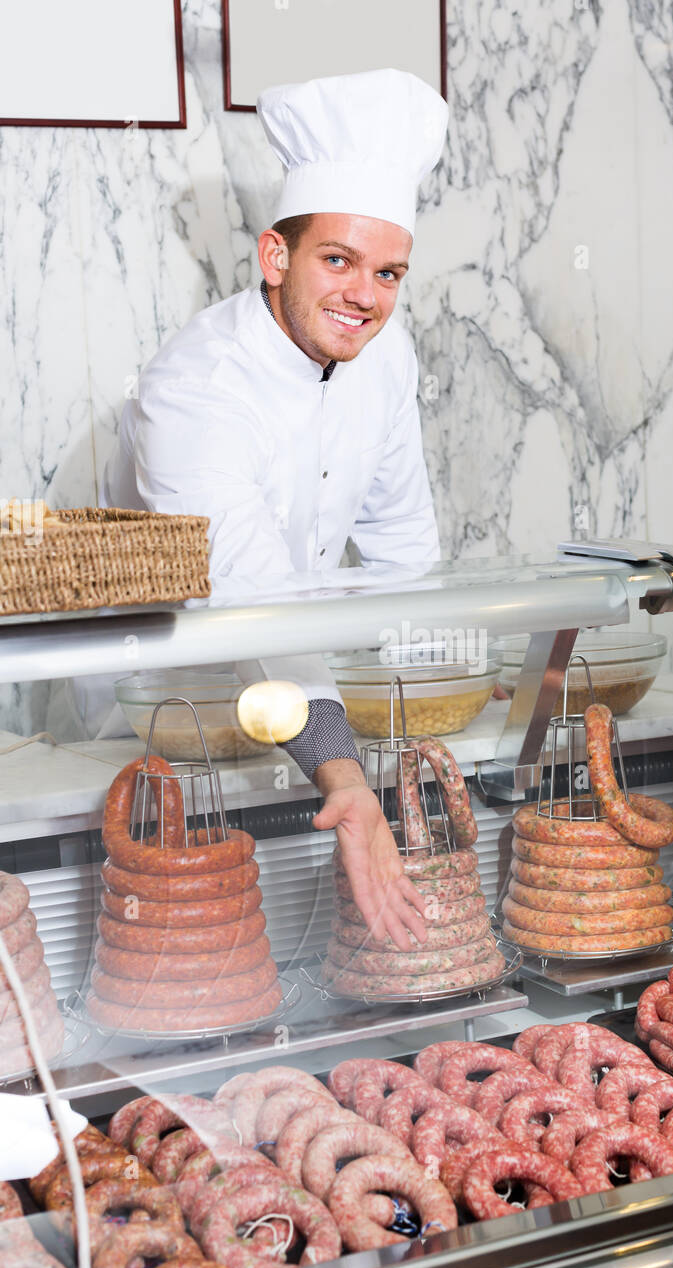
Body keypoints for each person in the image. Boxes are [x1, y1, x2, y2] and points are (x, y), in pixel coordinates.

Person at [100, 69, 450, 949]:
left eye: (388, 272)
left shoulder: (388, 356)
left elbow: (406, 544)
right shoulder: (197, 387)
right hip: (177, 719)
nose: (364, 297)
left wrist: (433, 695)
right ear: (275, 256)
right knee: (192, 960)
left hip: (308, 713)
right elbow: (248, 593)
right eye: (338, 260)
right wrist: (348, 776)